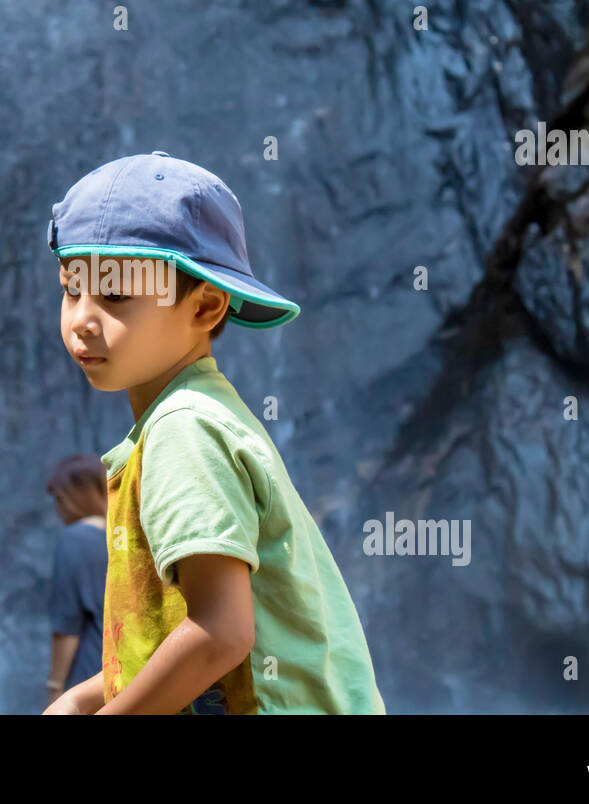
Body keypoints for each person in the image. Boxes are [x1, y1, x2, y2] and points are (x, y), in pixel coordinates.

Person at [42, 151, 385, 714]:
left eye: (115, 295)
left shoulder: (185, 431)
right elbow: (186, 644)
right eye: (71, 288)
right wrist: (83, 700)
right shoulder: (199, 414)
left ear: (204, 307)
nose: (82, 318)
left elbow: (222, 633)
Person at [44, 454, 108, 710]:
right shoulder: (126, 534)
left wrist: (55, 686)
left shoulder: (74, 539)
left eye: (59, 499)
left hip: (88, 670)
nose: (58, 509)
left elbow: (67, 626)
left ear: (77, 496)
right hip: (126, 668)